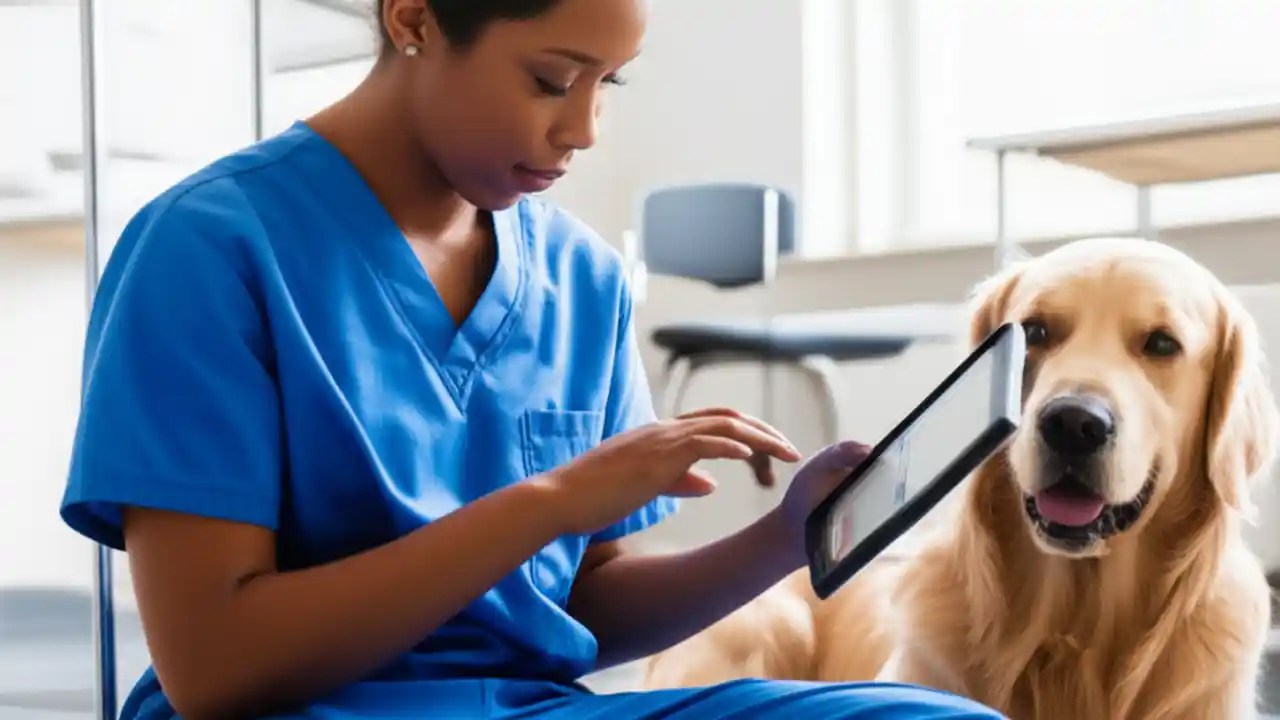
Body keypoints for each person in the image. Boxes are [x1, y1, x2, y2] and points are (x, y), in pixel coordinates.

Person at [60, 1, 1005, 717]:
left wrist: (781, 541)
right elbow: (213, 669)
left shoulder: (580, 277)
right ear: (414, 18)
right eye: (553, 80)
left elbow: (581, 609)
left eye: (611, 83)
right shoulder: (208, 249)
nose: (583, 130)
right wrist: (552, 501)